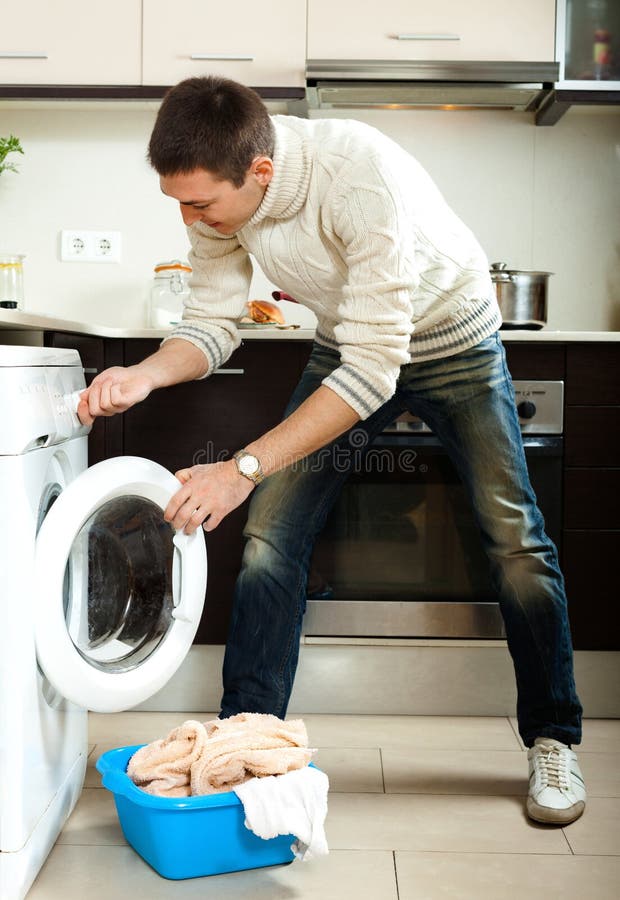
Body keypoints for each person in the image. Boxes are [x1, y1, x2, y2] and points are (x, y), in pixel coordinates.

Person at [78, 75, 586, 826]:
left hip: (454, 341)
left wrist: (241, 467)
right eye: (178, 202)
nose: (191, 219)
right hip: (349, 343)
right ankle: (245, 744)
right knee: (269, 540)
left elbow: (376, 371)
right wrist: (143, 375)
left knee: (516, 541)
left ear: (261, 173)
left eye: (200, 203)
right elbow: (212, 323)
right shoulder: (221, 199)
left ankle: (553, 738)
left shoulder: (357, 175)